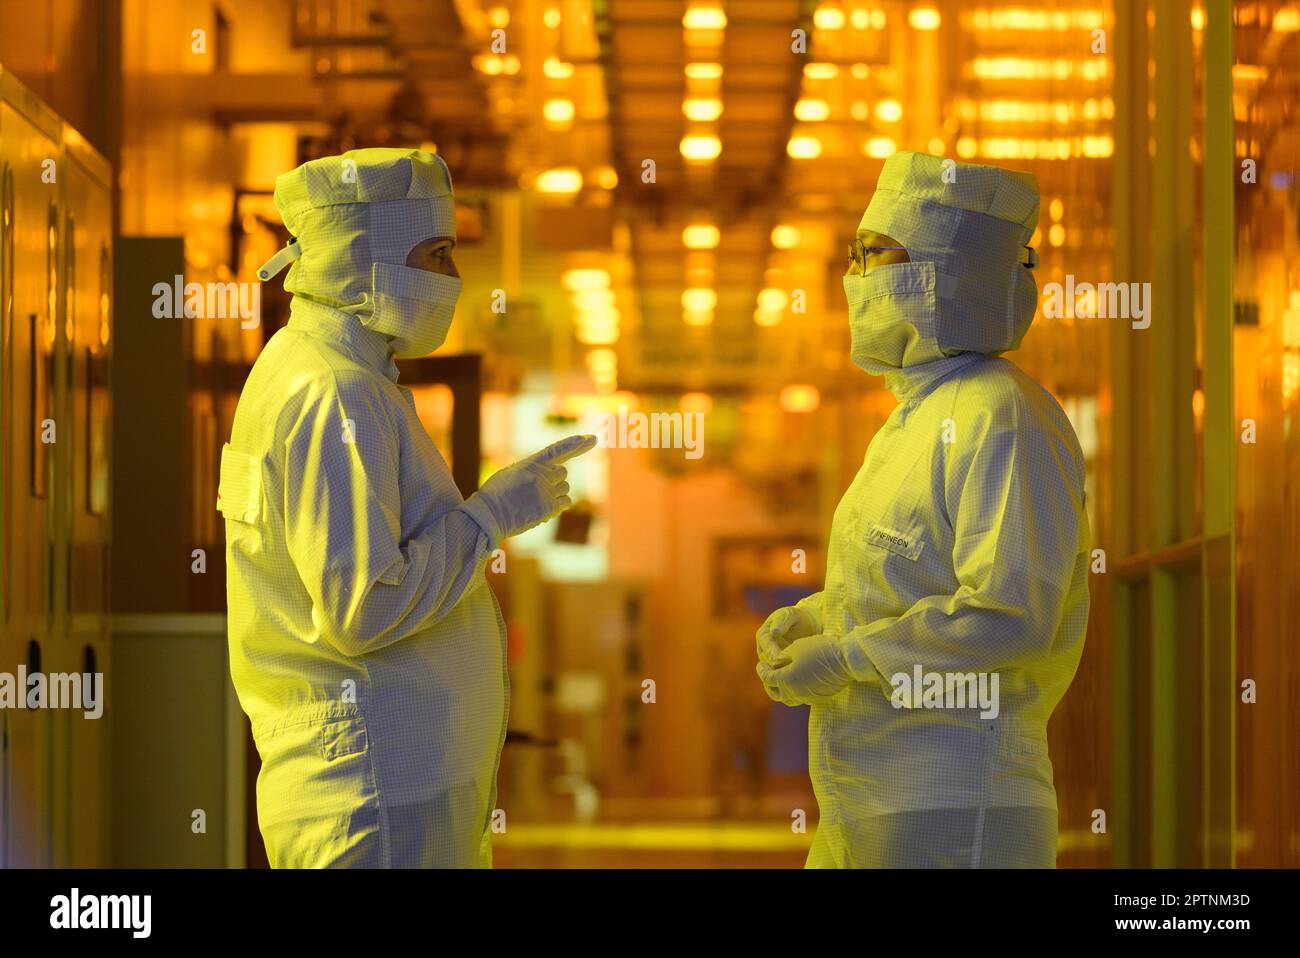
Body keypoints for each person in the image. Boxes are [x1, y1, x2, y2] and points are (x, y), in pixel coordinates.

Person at [219, 147, 595, 867]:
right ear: (370, 255)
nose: (453, 281)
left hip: (383, 780)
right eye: (439, 254)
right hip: (374, 785)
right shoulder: (335, 391)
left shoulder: (323, 372)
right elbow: (363, 608)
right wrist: (489, 518)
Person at [755, 150, 1090, 868]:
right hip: (868, 800)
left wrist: (846, 656)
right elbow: (907, 585)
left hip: (957, 801)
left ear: (946, 269)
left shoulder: (1005, 415)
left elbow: (1010, 614)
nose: (856, 278)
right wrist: (817, 619)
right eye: (855, 255)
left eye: (876, 255)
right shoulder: (915, 419)